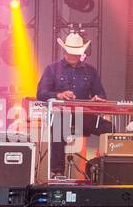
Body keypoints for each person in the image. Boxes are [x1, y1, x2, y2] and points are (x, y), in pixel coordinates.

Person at [35, 31, 108, 176]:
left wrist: (97, 99)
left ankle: (105, 169)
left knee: (110, 129)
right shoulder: (52, 69)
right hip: (61, 115)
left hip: (83, 115)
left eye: (76, 53)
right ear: (65, 51)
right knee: (58, 126)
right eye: (71, 52)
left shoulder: (90, 71)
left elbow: (101, 94)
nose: (73, 55)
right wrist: (59, 95)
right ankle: (57, 172)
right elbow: (41, 93)